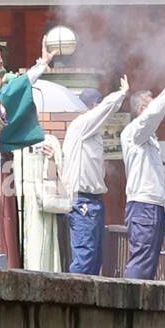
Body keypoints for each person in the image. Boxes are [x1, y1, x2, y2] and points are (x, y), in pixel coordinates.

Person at [0, 42, 60, 270]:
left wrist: (42, 64)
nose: (2, 69)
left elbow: (20, 86)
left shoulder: (0, 95)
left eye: (1, 63)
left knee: (4, 221)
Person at [120, 64, 165, 280]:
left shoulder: (149, 137)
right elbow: (154, 114)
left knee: (151, 260)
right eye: (149, 105)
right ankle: (131, 307)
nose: (154, 109)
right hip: (143, 205)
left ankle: (141, 307)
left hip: (155, 205)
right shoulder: (135, 132)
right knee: (142, 258)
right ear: (140, 110)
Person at [61, 77, 128, 276]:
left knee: (95, 257)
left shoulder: (92, 133)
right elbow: (105, 109)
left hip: (94, 201)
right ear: (92, 107)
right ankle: (73, 303)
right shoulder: (82, 125)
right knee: (85, 256)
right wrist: (121, 93)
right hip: (82, 200)